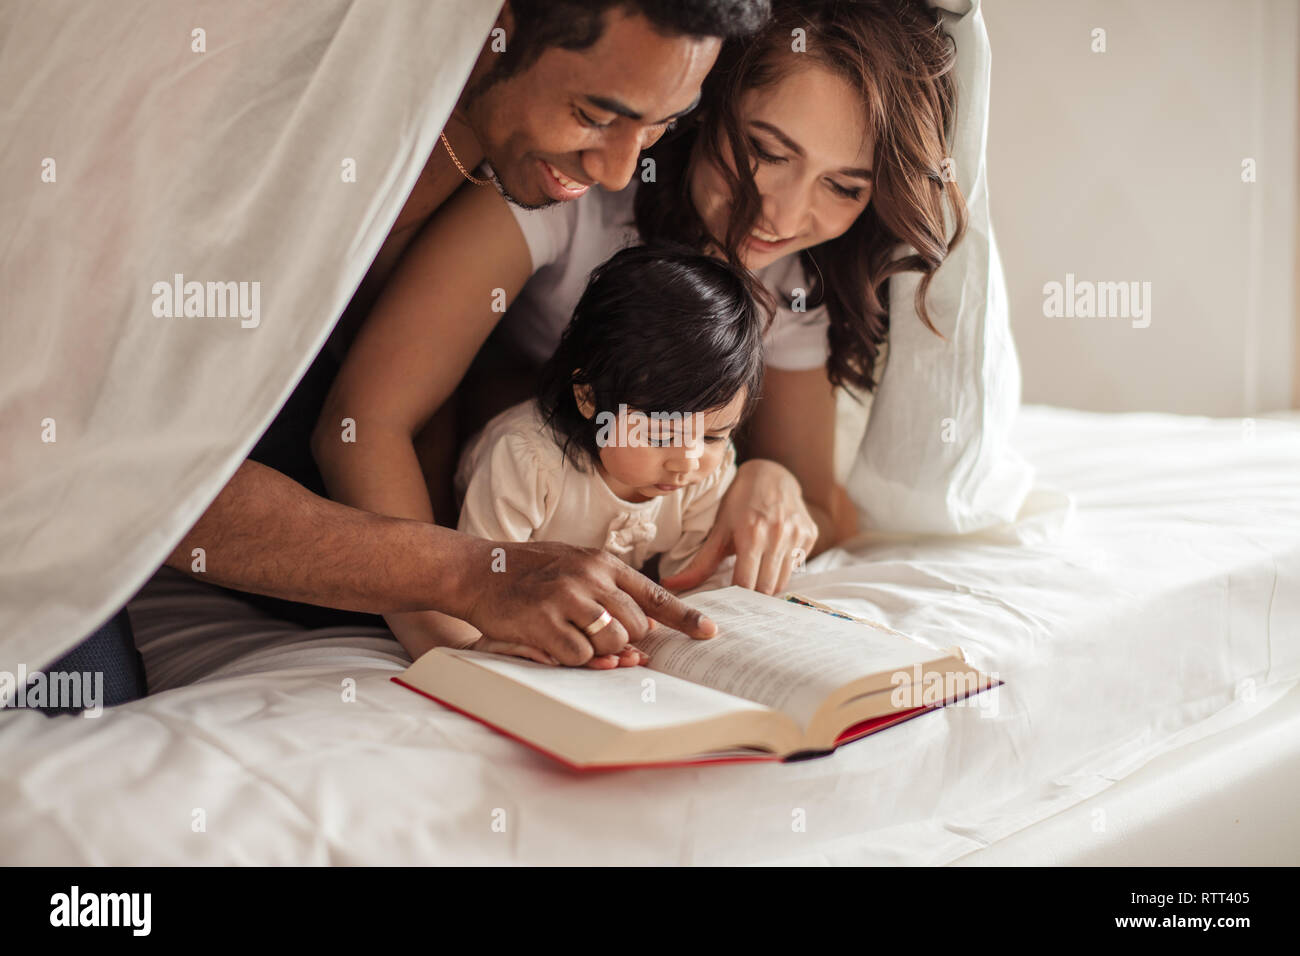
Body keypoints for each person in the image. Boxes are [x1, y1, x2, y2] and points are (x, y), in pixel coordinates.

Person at [315, 0, 972, 663]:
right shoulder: (568, 191)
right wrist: (455, 641)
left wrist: (768, 478)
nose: (785, 212)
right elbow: (362, 424)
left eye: (844, 187)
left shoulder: (788, 279)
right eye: (767, 152)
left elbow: (826, 510)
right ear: (706, 97)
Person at [141, 0, 773, 678]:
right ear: (493, 22)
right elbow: (137, 475)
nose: (619, 172)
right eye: (594, 115)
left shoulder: (496, 168)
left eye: (660, 126)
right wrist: (466, 579)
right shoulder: (278, 143)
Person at [391, 243, 764, 664]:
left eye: (715, 436)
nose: (689, 460)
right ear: (590, 399)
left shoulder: (705, 473)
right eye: (662, 434)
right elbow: (485, 583)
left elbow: (690, 590)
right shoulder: (525, 460)